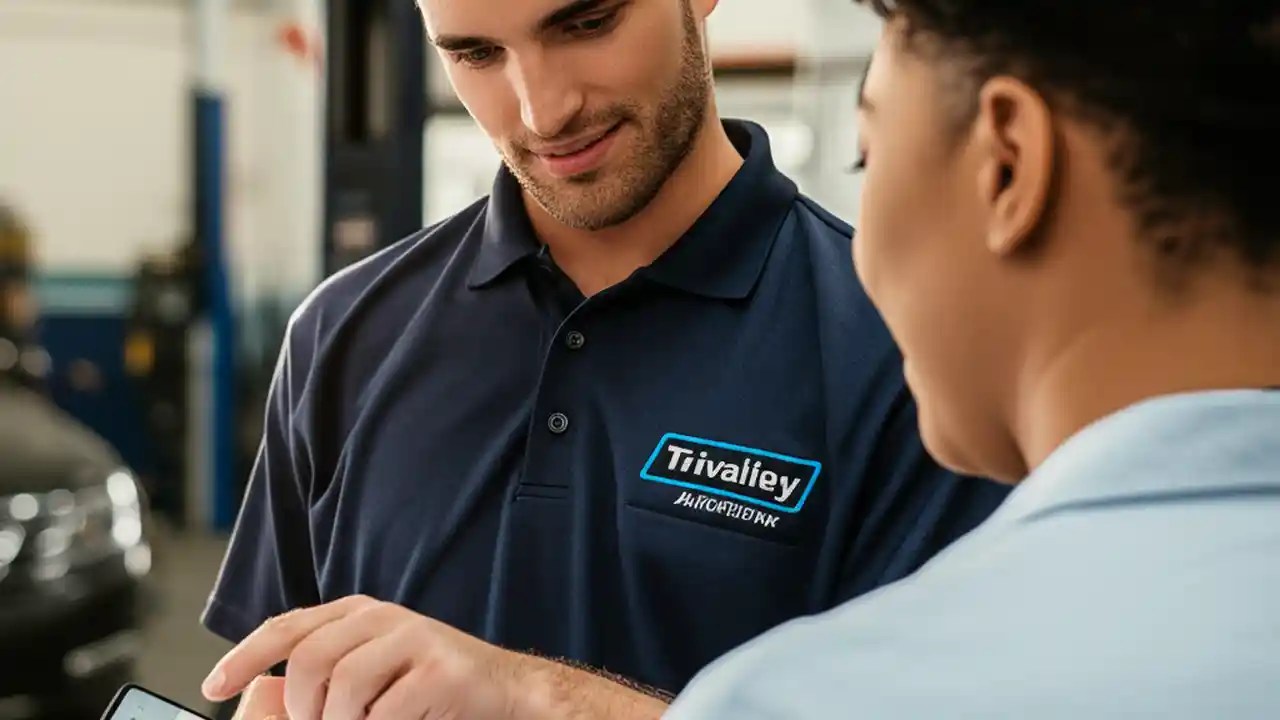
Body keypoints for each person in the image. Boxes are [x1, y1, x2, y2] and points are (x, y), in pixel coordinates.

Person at [205, 0, 1280, 717]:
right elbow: (269, 680)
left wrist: (538, 699)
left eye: (585, 20)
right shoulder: (342, 334)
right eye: (474, 54)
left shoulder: (921, 366)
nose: (540, 108)